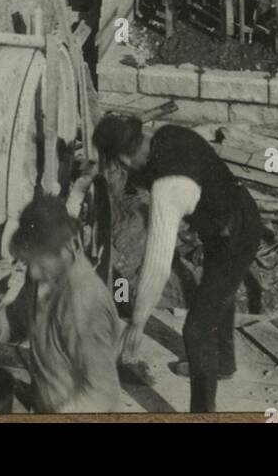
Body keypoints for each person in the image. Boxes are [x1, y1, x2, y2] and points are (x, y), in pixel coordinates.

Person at [92, 114, 262, 413]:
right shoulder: (169, 134)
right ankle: (223, 362)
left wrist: (137, 322)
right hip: (229, 217)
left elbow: (157, 269)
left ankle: (202, 413)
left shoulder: (167, 187)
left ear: (122, 157)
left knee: (196, 329)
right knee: (217, 291)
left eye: (118, 163)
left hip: (236, 234)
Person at [0, 195, 122, 414]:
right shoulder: (44, 273)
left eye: (39, 261)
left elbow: (103, 393)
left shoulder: (83, 302)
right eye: (30, 261)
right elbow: (20, 317)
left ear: (66, 248)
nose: (34, 272)